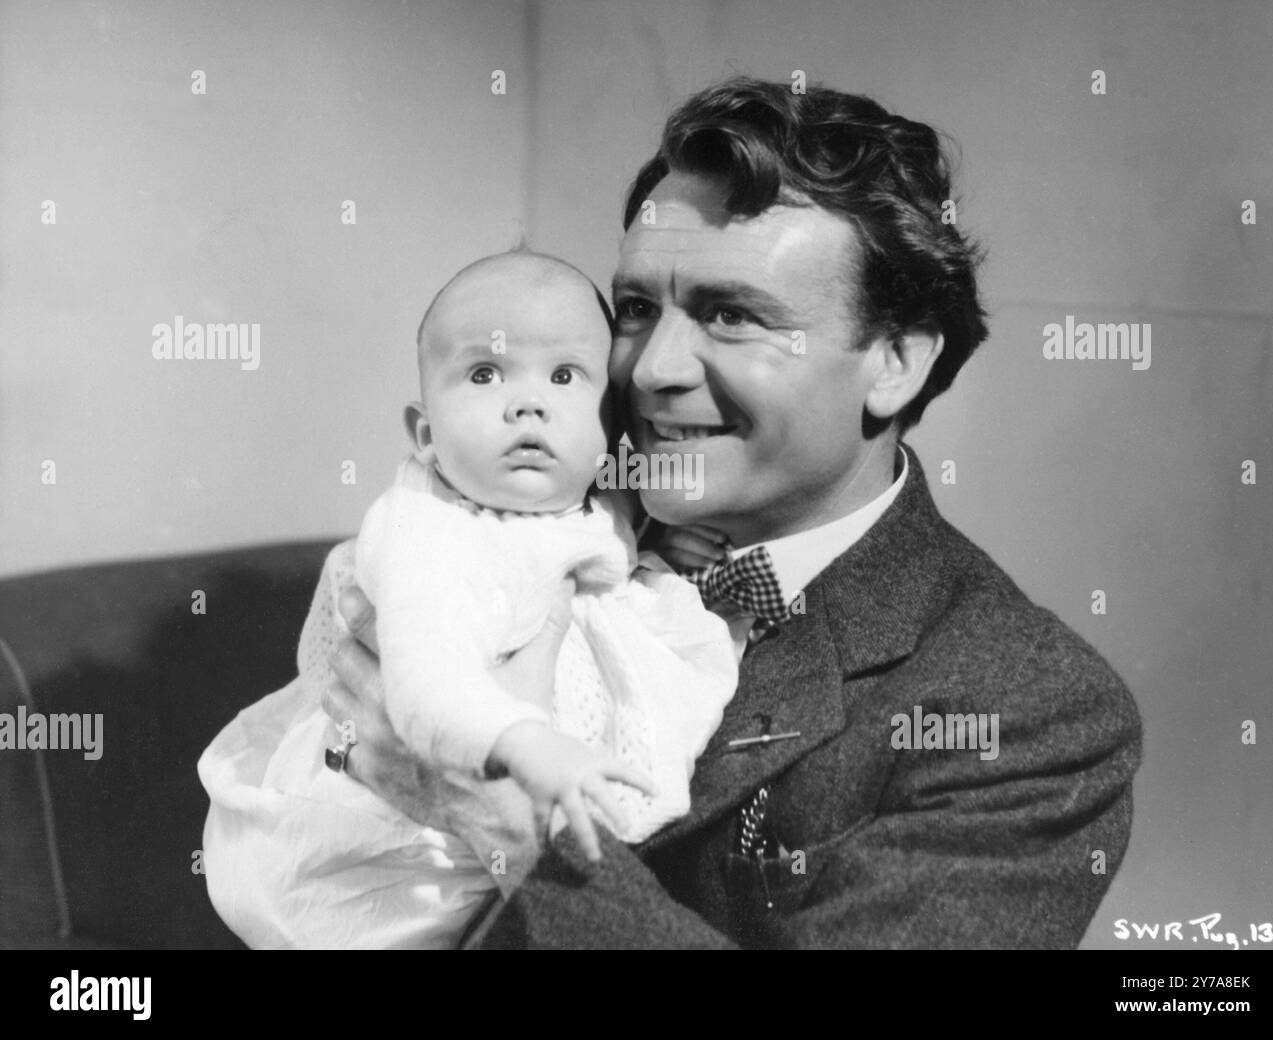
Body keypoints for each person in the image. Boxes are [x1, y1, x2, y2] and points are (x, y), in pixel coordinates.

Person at [322, 77, 1144, 949]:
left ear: (895, 362)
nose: (651, 370)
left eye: (731, 315)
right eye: (638, 310)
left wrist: (508, 824)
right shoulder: (513, 515)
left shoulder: (1029, 710)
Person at [197, 252, 738, 949]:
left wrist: (661, 549)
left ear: (608, 430)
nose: (527, 401)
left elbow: (603, 530)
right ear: (426, 434)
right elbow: (427, 690)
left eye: (565, 376)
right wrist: (529, 745)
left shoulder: (590, 500)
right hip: (396, 845)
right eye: (485, 374)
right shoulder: (429, 536)